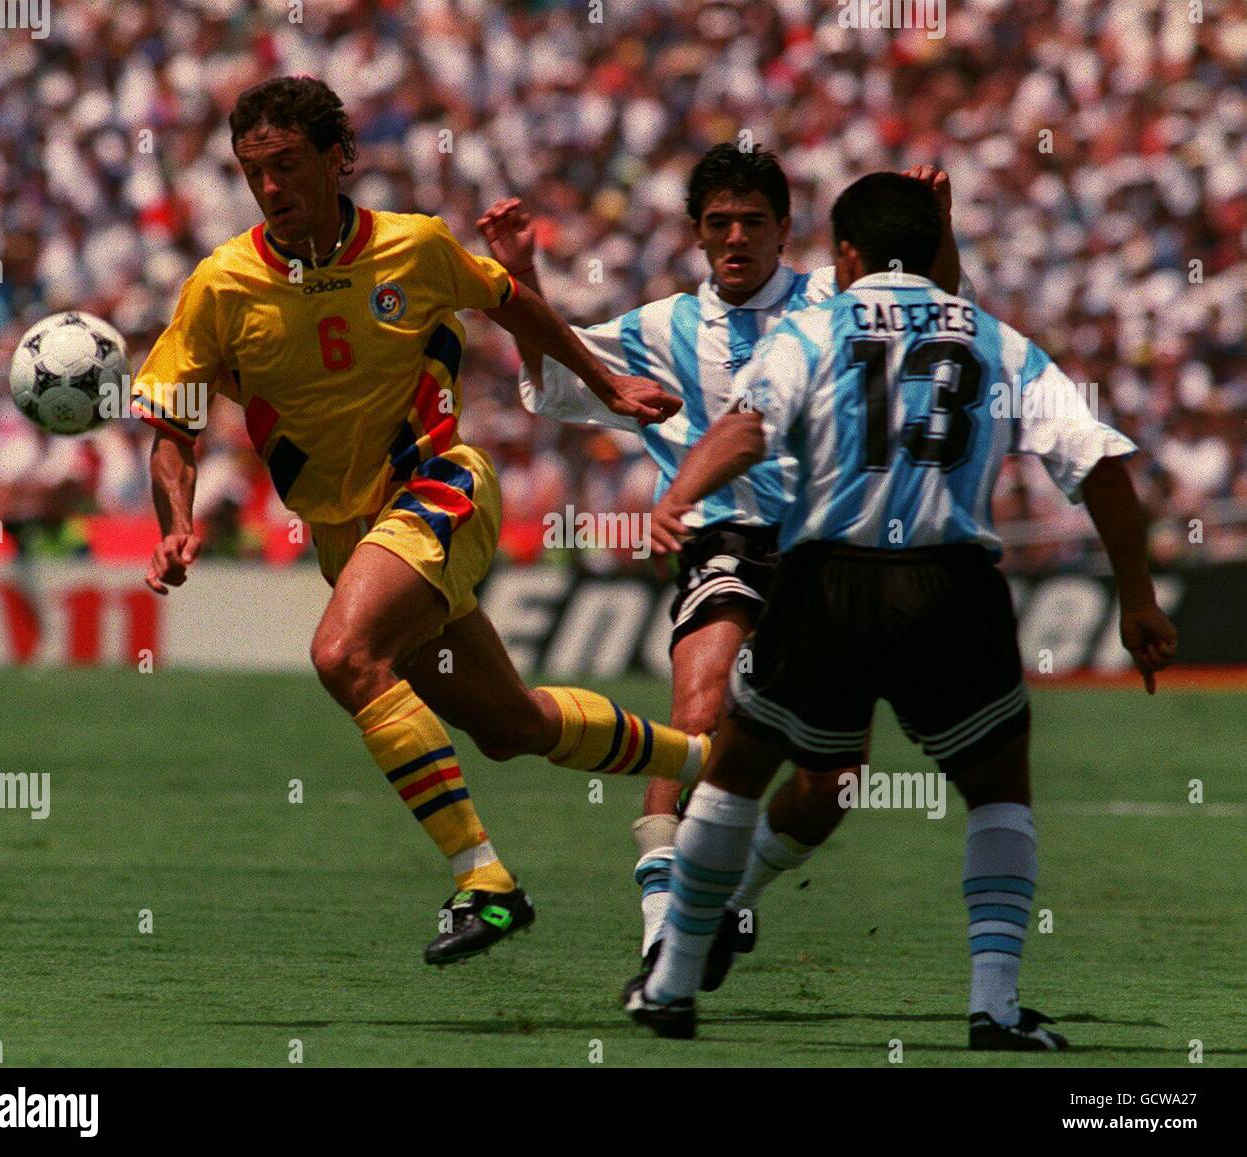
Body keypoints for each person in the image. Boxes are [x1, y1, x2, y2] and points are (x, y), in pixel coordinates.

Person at [130, 76, 709, 967]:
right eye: (254, 172)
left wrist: (609, 384)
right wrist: (174, 519)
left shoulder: (414, 248)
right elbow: (173, 419)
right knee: (512, 726)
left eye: (287, 165)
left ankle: (486, 882)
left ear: (337, 159)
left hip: (438, 486)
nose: (272, 188)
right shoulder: (221, 284)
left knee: (342, 656)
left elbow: (510, 300)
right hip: (348, 539)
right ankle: (714, 759)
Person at [625, 171, 1178, 1046]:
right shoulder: (997, 341)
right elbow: (1102, 468)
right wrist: (1138, 600)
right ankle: (993, 1008)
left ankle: (673, 985)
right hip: (952, 588)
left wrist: (677, 496)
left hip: (827, 581)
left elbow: (747, 427)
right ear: (934, 248)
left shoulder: (814, 327)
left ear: (843, 253)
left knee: (735, 769)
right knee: (997, 793)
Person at [480, 145, 969, 985]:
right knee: (699, 708)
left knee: (830, 783)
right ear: (696, 235)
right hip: (725, 538)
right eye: (719, 224)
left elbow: (939, 313)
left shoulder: (834, 298)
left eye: (753, 221)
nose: (736, 236)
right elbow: (565, 377)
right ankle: (662, 933)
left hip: (836, 551)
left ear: (787, 230)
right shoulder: (662, 327)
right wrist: (521, 278)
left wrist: (938, 230)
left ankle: (732, 893)